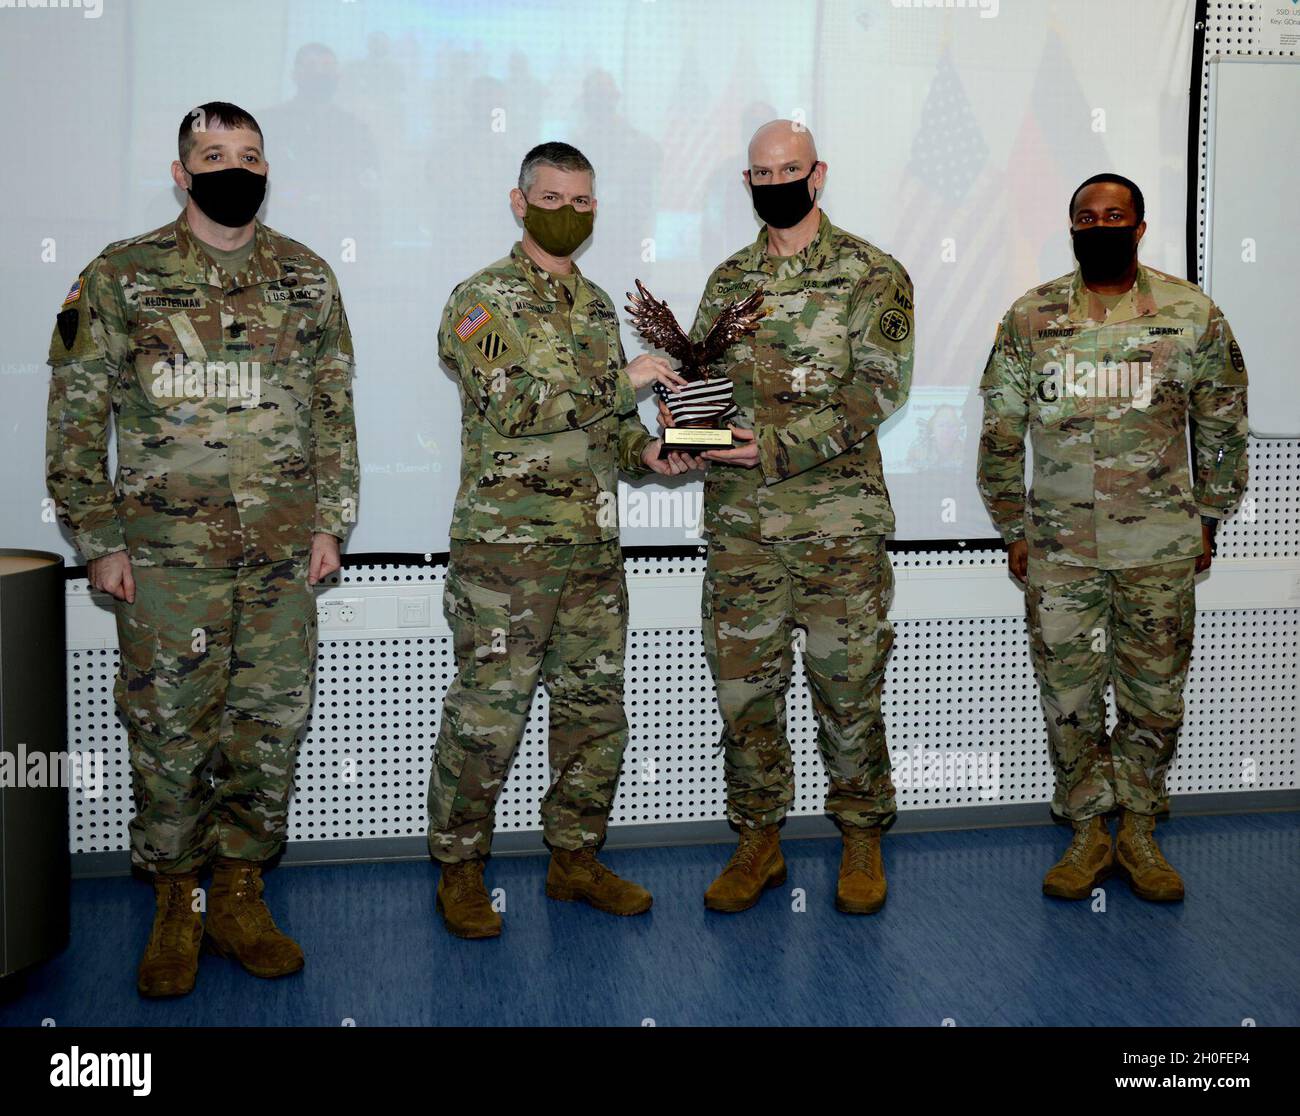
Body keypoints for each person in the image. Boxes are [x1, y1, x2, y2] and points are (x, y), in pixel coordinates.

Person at [45, 102, 357, 995]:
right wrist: (97, 540)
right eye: (214, 154)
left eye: (249, 154)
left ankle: (241, 895)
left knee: (266, 732)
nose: (234, 166)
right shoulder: (122, 275)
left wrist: (330, 519)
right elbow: (75, 416)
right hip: (165, 561)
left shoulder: (306, 276)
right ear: (182, 174)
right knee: (170, 736)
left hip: (280, 559)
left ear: (268, 168)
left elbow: (335, 410)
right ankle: (176, 905)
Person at [428, 141, 693, 938]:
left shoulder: (598, 305)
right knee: (488, 719)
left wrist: (651, 454)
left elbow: (607, 432)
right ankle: (460, 869)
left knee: (593, 716)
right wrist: (630, 378)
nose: (568, 212)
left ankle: (575, 858)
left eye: (583, 202)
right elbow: (515, 405)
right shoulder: (478, 301)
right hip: (504, 563)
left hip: (590, 555)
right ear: (519, 202)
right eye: (552, 197)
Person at [664, 120, 914, 915]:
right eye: (762, 172)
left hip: (838, 528)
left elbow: (876, 392)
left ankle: (861, 836)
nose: (776, 182)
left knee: (848, 691)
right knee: (745, 695)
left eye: (791, 169)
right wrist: (688, 435)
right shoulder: (728, 278)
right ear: (747, 182)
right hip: (741, 533)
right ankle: (758, 840)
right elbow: (704, 383)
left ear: (819, 173)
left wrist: (765, 447)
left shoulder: (871, 273)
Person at [977, 173, 1248, 901]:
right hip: (1060, 549)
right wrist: (1012, 526)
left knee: (1154, 698)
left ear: (1140, 226)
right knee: (1068, 698)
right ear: (1071, 228)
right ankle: (1089, 831)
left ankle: (1139, 830)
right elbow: (1001, 431)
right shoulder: (1031, 317)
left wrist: (1210, 518)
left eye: (1114, 215)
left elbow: (1222, 424)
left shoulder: (1190, 314)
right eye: (1086, 217)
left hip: (1159, 546)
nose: (1100, 225)